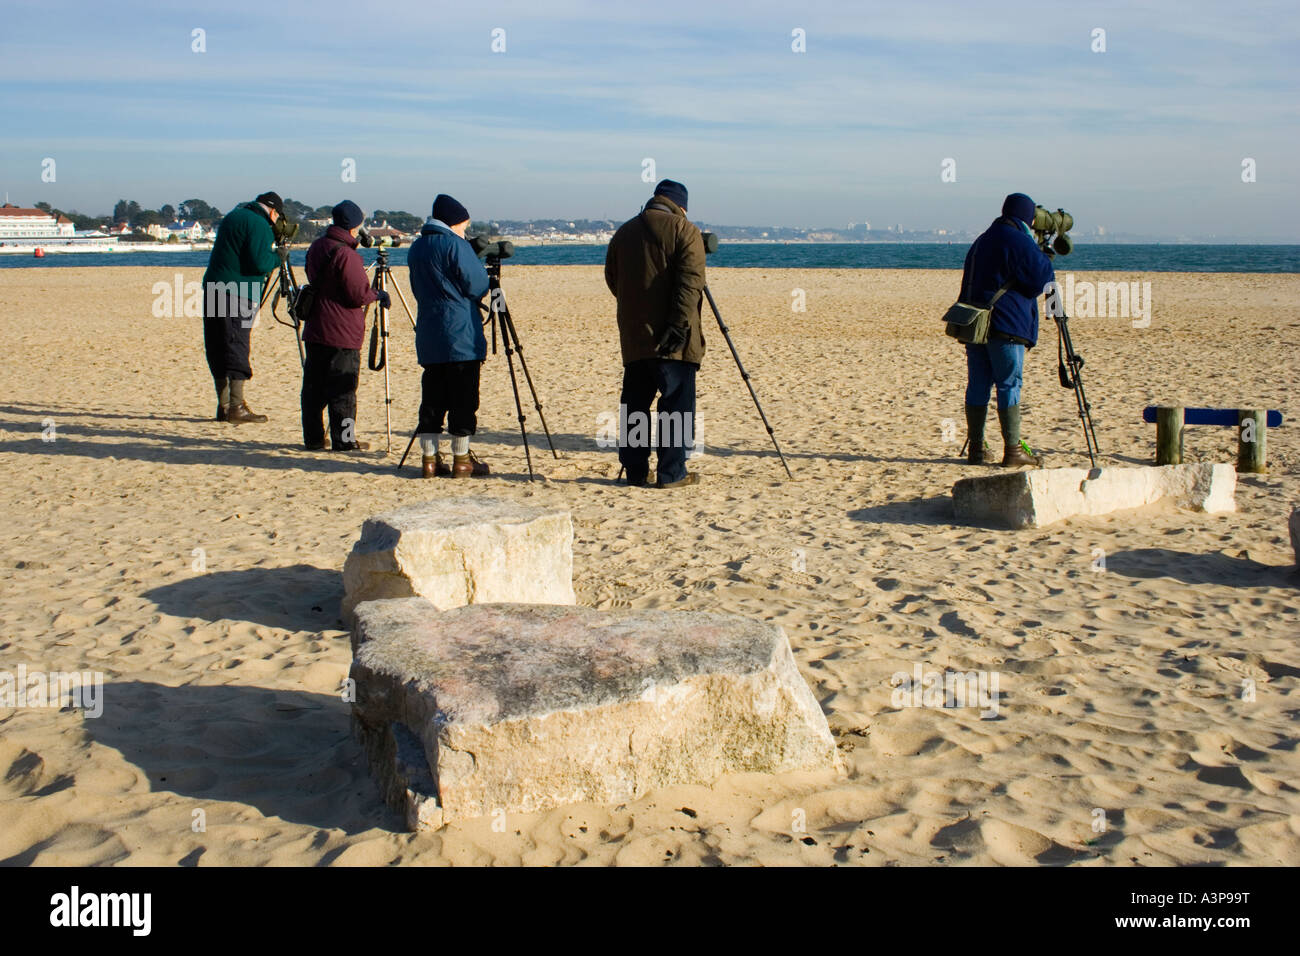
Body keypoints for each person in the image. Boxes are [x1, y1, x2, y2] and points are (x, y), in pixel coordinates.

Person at [604, 179, 706, 488]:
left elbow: (613, 280)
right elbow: (691, 282)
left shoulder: (623, 233)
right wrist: (678, 324)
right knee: (675, 405)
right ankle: (671, 473)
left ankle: (635, 470)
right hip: (674, 339)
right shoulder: (685, 231)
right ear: (681, 206)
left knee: (635, 404)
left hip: (635, 334)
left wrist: (638, 308)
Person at [959, 192, 1056, 467]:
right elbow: (1040, 280)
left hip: (975, 324)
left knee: (978, 384)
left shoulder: (983, 239)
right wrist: (1043, 256)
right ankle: (1013, 450)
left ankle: (976, 448)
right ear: (1027, 217)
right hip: (1007, 325)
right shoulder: (1019, 240)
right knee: (1009, 384)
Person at [407, 194, 491, 479]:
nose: (465, 232)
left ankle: (429, 460)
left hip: (430, 333)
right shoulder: (454, 244)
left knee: (432, 398)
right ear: (454, 222)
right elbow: (478, 284)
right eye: (463, 226)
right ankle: (462, 459)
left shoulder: (417, 247)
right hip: (460, 335)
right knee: (463, 399)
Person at [300, 200, 386, 452]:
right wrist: (378, 294)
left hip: (317, 326)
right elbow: (357, 295)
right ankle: (344, 440)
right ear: (354, 226)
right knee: (343, 390)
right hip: (341, 331)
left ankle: (314, 438)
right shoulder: (346, 255)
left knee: (313, 389)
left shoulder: (318, 246)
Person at [202, 191, 284, 425]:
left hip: (214, 287)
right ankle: (236, 406)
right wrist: (279, 257)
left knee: (217, 344)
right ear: (274, 211)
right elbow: (260, 263)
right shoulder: (259, 223)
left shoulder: (233, 216)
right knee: (237, 344)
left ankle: (224, 404)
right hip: (239, 292)